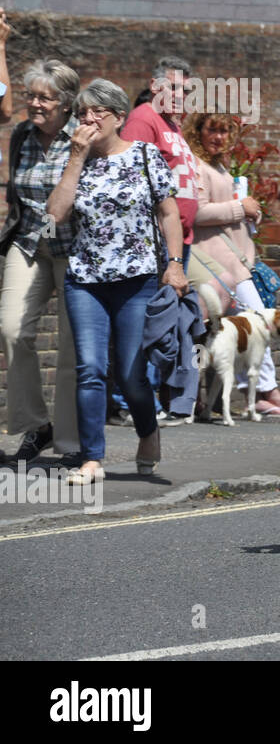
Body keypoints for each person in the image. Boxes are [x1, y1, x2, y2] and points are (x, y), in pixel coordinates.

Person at [45, 79, 189, 485]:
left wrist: (175, 264)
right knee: (89, 368)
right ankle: (92, 458)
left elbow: (169, 214)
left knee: (130, 373)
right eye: (81, 113)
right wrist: (75, 157)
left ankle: (148, 430)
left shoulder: (145, 156)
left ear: (119, 117)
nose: (88, 119)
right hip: (85, 279)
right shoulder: (74, 158)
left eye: (97, 112)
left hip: (136, 278)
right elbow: (53, 216)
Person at [185, 110, 280, 418]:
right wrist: (239, 207)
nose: (219, 137)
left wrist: (246, 211)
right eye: (212, 130)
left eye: (225, 132)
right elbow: (196, 213)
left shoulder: (219, 166)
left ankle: (257, 395)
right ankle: (266, 395)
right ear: (198, 132)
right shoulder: (197, 166)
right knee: (256, 327)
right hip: (216, 265)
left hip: (233, 265)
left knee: (237, 333)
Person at [0, 59, 82, 465]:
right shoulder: (20, 136)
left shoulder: (84, 139)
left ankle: (69, 441)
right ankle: (37, 425)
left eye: (44, 98)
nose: (34, 103)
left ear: (66, 103)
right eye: (31, 95)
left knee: (71, 346)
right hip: (30, 242)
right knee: (12, 329)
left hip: (74, 249)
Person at [122, 55, 203, 424]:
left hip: (177, 241)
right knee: (147, 322)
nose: (181, 95)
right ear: (155, 87)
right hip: (153, 242)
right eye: (173, 88)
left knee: (164, 324)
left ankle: (151, 400)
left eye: (186, 90)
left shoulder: (171, 123)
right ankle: (131, 403)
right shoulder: (143, 118)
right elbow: (130, 177)